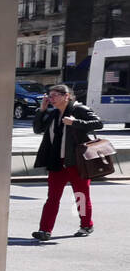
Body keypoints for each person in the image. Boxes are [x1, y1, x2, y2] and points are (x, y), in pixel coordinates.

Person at [31, 84, 102, 240]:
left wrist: (75, 122)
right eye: (50, 96)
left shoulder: (79, 110)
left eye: (55, 95)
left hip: (76, 162)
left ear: (66, 96)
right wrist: (42, 110)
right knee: (52, 198)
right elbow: (38, 129)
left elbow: (98, 123)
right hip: (57, 162)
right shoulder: (53, 113)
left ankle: (86, 225)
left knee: (81, 195)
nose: (51, 99)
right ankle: (45, 230)